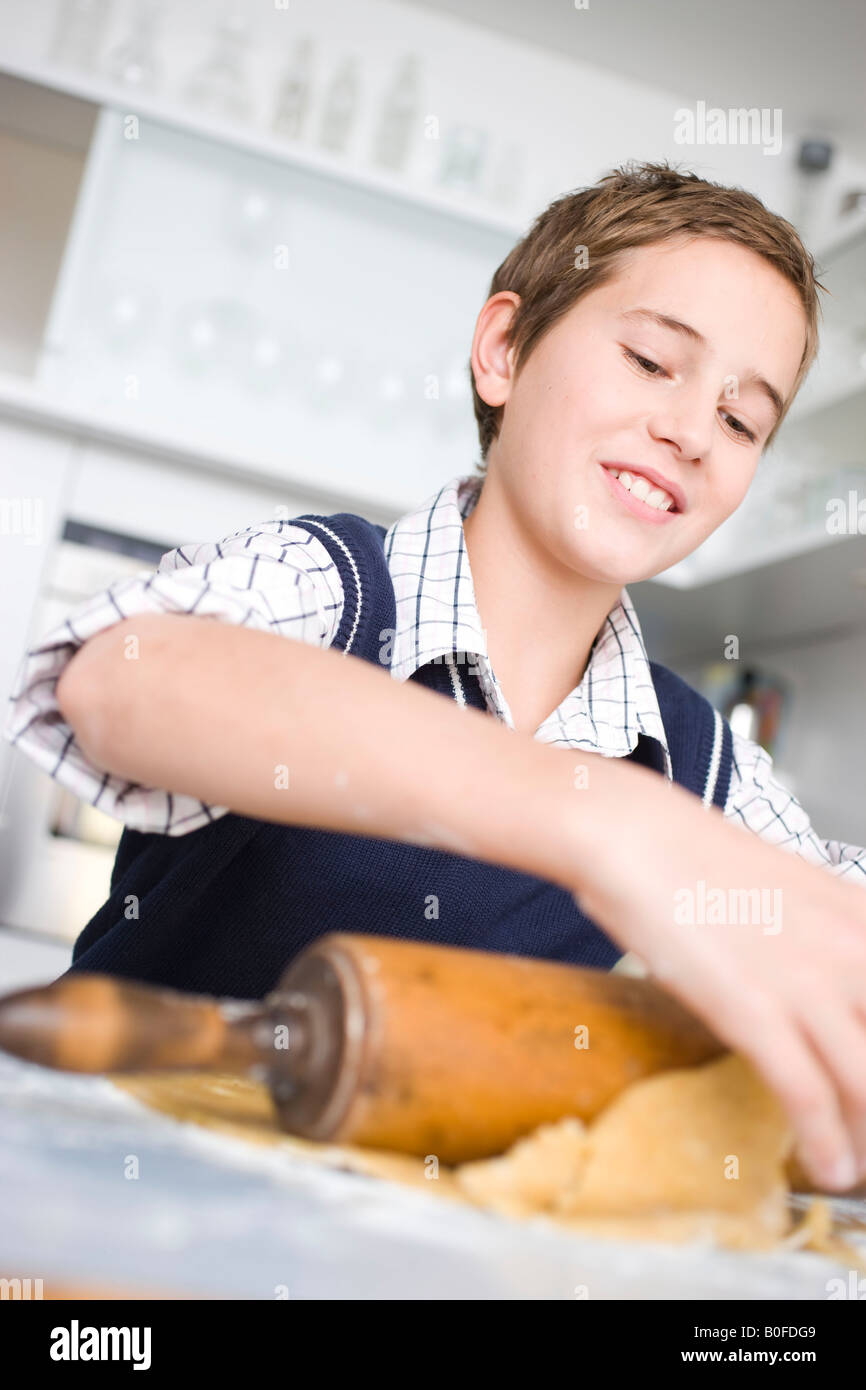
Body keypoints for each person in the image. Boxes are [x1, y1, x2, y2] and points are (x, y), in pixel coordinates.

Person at [5, 161, 866, 1194]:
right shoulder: (326, 585)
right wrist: (604, 823)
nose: (687, 431)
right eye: (648, 360)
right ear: (502, 349)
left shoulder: (704, 766)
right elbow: (121, 681)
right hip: (90, 1217)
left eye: (739, 422)